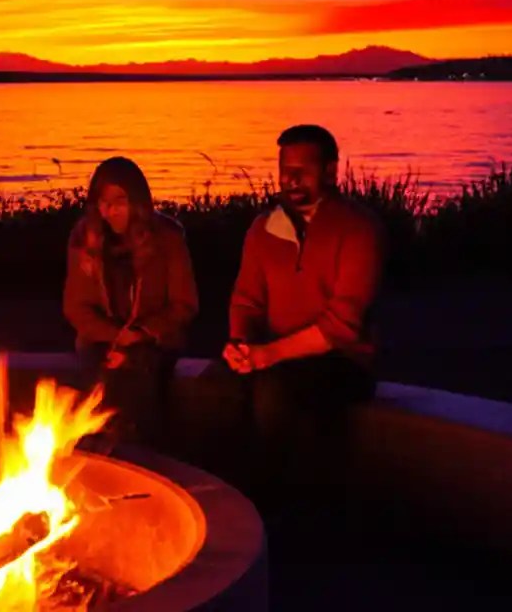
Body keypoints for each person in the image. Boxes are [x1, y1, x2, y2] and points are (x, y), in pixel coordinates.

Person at [220, 124, 384, 512]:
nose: (290, 179)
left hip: (344, 359)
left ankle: (280, 511)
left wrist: (268, 356)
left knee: (276, 393)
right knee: (221, 386)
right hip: (275, 350)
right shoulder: (264, 229)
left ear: (330, 172)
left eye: (302, 170)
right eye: (284, 169)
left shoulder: (358, 230)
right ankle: (227, 502)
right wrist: (240, 344)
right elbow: (246, 300)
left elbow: (342, 325)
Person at [64, 157, 198, 444]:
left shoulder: (167, 238)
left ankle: (147, 455)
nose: (109, 210)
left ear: (136, 201)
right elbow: (76, 306)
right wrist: (115, 337)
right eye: (102, 201)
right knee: (98, 376)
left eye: (119, 200)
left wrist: (139, 334)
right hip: (102, 338)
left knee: (140, 373)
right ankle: (99, 452)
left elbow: (184, 304)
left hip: (153, 338)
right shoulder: (85, 238)